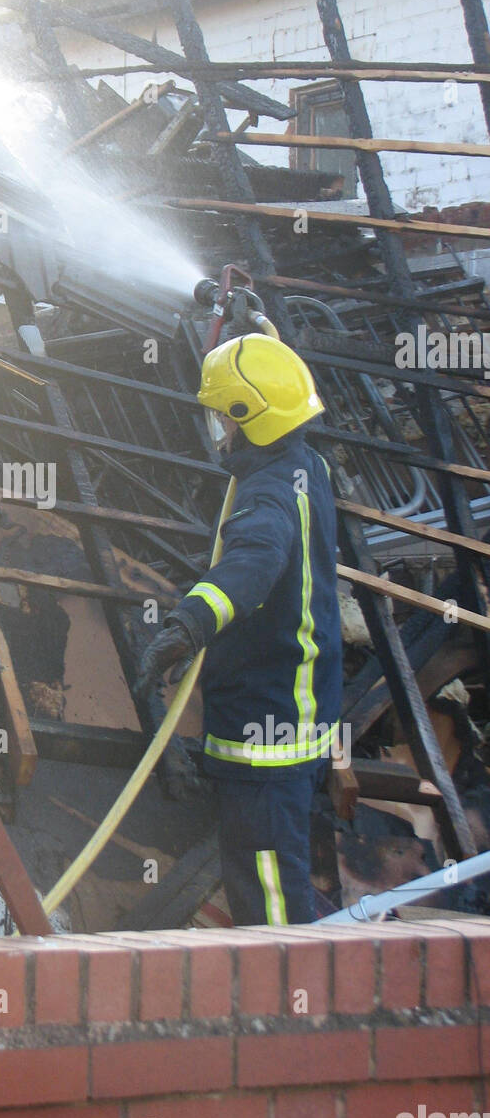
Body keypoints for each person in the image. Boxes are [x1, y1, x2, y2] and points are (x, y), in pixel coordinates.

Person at [137, 333, 342, 925]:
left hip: (268, 732)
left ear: (249, 416)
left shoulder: (268, 492)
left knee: (271, 901)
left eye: (224, 416)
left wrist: (187, 625)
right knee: (263, 882)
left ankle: (291, 1007)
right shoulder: (307, 465)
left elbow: (252, 565)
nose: (218, 430)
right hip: (292, 711)